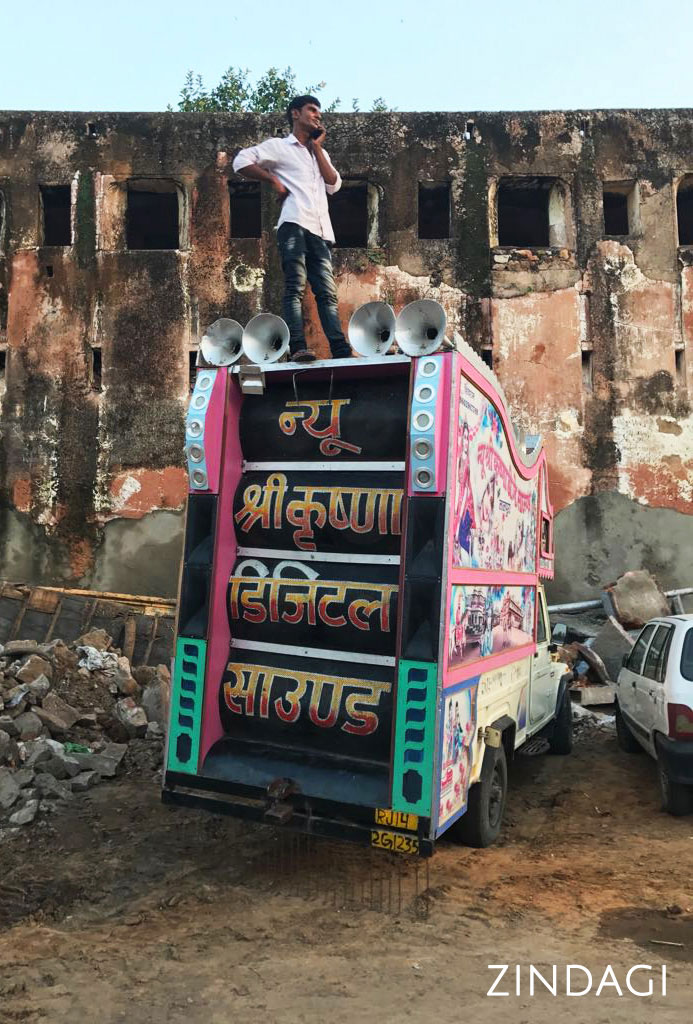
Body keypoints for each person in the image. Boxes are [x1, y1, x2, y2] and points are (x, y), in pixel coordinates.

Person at [232, 95, 352, 362]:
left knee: (327, 293)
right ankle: (298, 347)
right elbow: (240, 161)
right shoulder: (279, 147)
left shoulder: (320, 154)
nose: (318, 115)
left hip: (321, 232)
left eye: (319, 111)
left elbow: (334, 184)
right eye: (312, 110)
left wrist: (317, 148)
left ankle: (341, 350)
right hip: (294, 224)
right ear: (295, 113)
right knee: (295, 287)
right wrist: (273, 180)